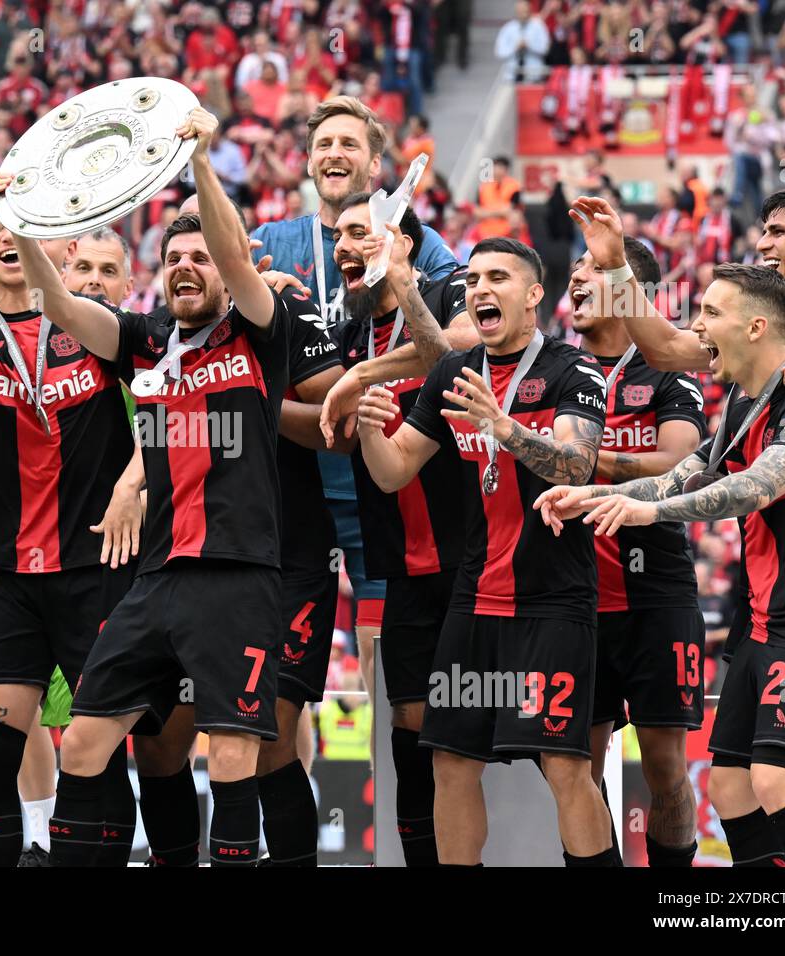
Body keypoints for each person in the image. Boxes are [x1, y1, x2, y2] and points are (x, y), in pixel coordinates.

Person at [5, 108, 324, 867]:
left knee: (235, 756)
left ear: (226, 262)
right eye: (174, 256)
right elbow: (58, 305)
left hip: (239, 575)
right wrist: (16, 224)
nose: (187, 266)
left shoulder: (260, 330)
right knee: (84, 741)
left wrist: (203, 164)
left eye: (201, 256)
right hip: (155, 580)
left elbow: (237, 264)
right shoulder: (148, 340)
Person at [538, 262, 785, 868]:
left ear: (755, 327)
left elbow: (755, 486)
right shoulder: (743, 405)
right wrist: (593, 497)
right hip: (762, 623)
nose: (696, 328)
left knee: (776, 781)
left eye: (710, 314)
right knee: (729, 788)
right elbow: (686, 474)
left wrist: (651, 514)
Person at [356, 236, 615, 866]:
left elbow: (577, 468)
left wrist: (504, 426)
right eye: (472, 279)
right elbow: (394, 473)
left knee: (562, 763)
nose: (479, 288)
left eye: (498, 277)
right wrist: (369, 430)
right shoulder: (453, 371)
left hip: (552, 599)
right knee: (450, 762)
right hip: (475, 601)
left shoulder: (570, 369)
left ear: (533, 296)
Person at [0, 170, 138, 869]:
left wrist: (20, 224)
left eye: (30, 233)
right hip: (10, 578)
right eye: (0, 241)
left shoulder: (92, 326)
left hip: (95, 576)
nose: (11, 244)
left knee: (98, 757)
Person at [251, 96, 459, 733]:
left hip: (389, 473)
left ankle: (387, 824)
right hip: (300, 477)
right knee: (289, 686)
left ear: (374, 165)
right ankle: (304, 806)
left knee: (382, 670)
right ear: (308, 161)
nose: (334, 154)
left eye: (350, 144)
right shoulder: (270, 240)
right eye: (324, 144)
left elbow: (447, 344)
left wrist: (361, 375)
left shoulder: (411, 238)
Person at [329, 197, 466, 866]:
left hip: (478, 560)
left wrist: (360, 375)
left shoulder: (455, 287)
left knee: (536, 743)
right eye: (338, 236)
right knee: (411, 731)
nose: (344, 245)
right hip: (400, 566)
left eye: (360, 232)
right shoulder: (349, 328)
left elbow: (455, 357)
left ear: (404, 241)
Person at [564, 236, 708, 867]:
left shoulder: (666, 369)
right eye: (574, 267)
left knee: (666, 767)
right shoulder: (555, 370)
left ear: (630, 291)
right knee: (576, 771)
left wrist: (588, 461)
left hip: (657, 594)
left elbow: (680, 463)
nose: (576, 276)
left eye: (593, 269)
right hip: (572, 597)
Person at [495, 0, 551, 83]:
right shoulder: (508, 28)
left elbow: (545, 49)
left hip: (533, 75)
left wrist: (529, 45)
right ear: (516, 11)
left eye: (525, 11)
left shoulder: (539, 26)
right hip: (511, 76)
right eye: (520, 11)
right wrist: (515, 47)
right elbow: (500, 52)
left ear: (529, 10)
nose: (522, 14)